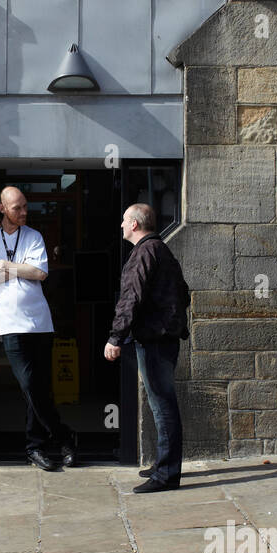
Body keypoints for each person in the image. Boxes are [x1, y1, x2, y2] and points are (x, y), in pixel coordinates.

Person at [0, 186, 76, 471]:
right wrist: (21, 268)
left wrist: (5, 265)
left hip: (39, 322)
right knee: (30, 385)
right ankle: (64, 436)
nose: (23, 212)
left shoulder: (33, 236)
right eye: (17, 208)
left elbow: (40, 273)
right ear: (2, 208)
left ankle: (36, 448)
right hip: (8, 323)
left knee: (41, 388)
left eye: (25, 207)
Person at [103, 203, 189, 493]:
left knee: (163, 405)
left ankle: (166, 475)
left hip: (155, 339)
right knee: (159, 403)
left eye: (125, 221)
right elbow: (183, 293)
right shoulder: (161, 250)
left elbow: (131, 298)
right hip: (164, 337)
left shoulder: (144, 252)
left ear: (136, 225)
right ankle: (164, 464)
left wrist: (115, 337)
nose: (122, 225)